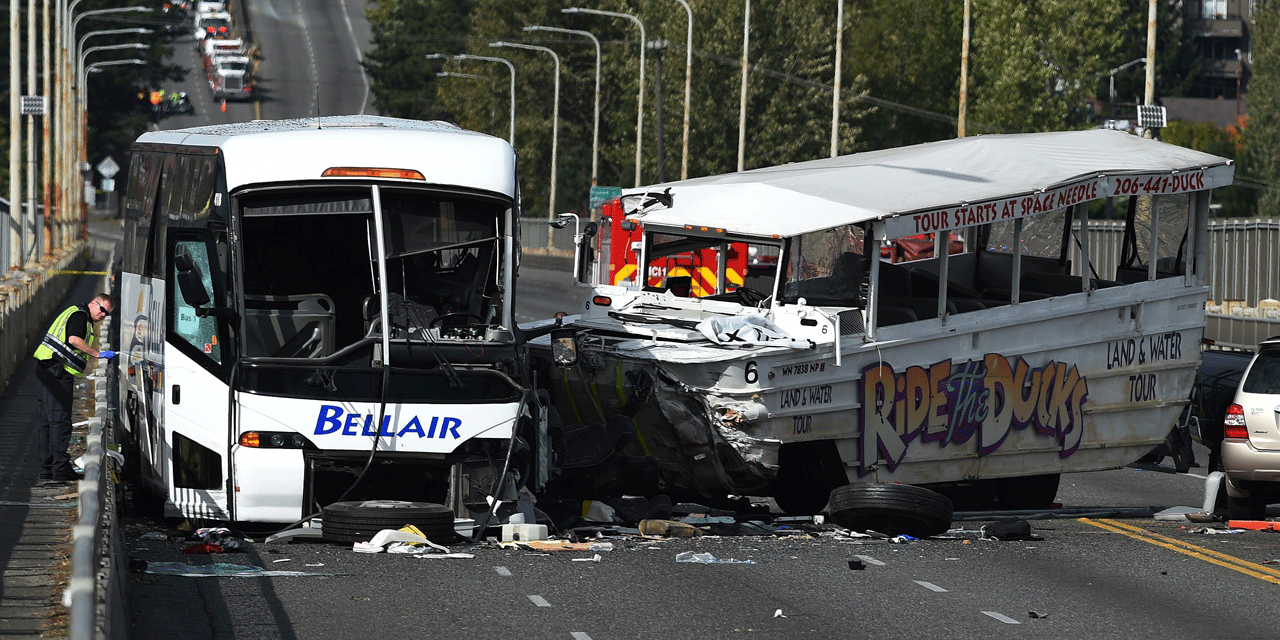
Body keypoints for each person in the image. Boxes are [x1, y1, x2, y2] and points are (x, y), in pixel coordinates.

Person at [33, 293, 115, 482]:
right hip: (57, 371)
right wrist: (98, 354)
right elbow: (74, 339)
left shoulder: (75, 312)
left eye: (107, 314)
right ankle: (60, 469)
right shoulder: (80, 316)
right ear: (94, 303)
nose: (103, 315)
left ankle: (47, 468)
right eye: (102, 310)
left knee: (47, 421)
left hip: (46, 367)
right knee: (60, 421)